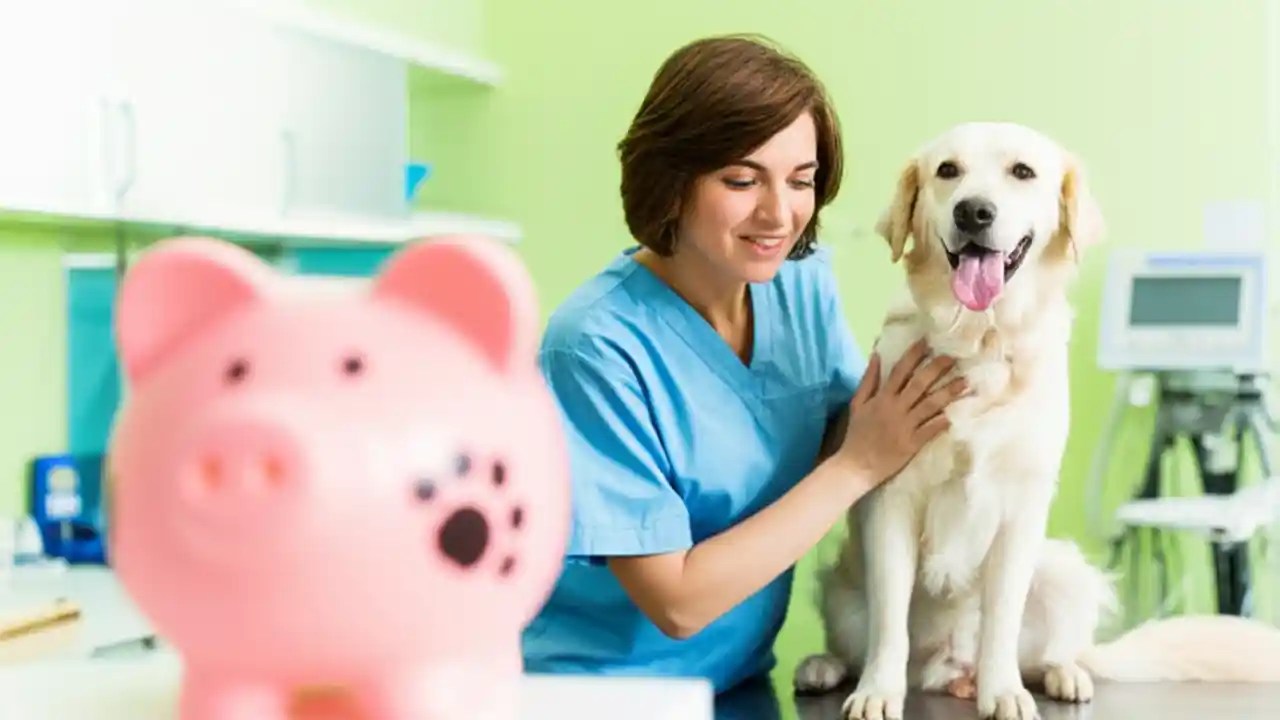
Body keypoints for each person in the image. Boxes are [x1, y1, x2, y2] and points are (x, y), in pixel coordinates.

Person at [520, 33, 966, 693]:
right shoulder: (594, 346)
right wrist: (859, 462)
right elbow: (676, 602)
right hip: (602, 692)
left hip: (740, 683)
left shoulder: (801, 281)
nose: (778, 214)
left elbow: (860, 428)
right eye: (740, 179)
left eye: (801, 181)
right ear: (671, 181)